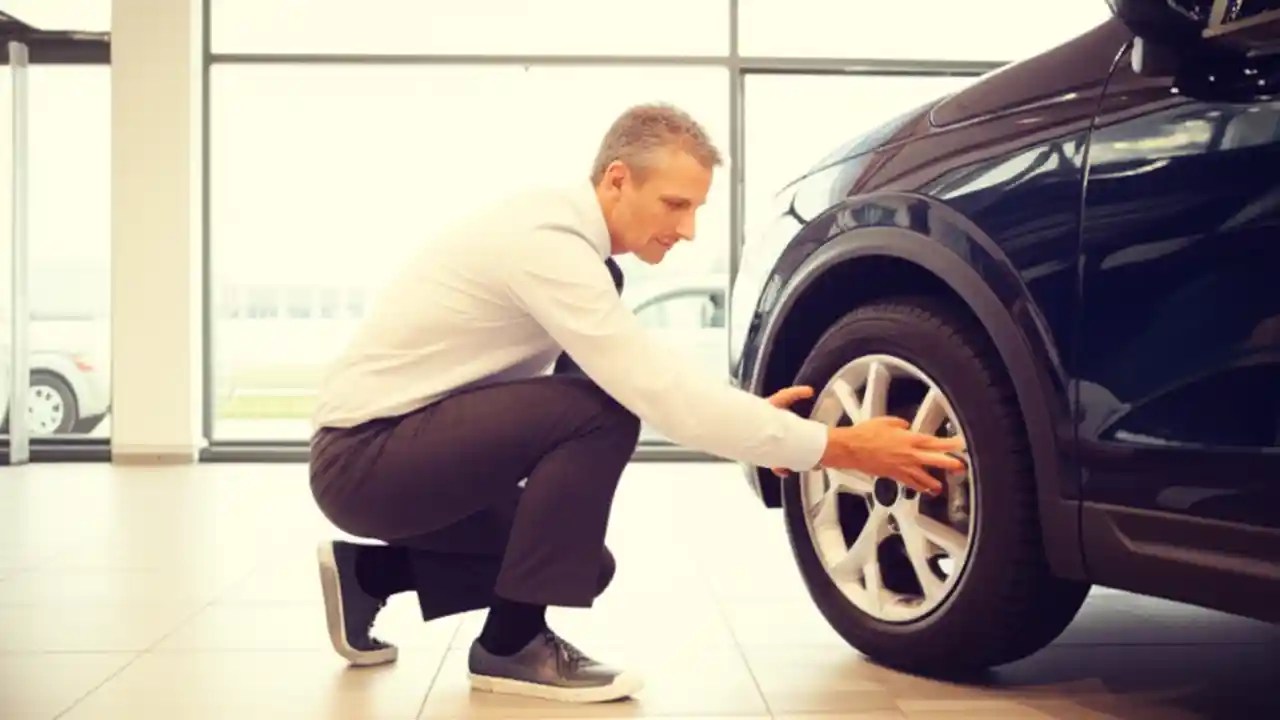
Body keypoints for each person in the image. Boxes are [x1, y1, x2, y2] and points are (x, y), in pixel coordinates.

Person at [307, 103, 965, 704]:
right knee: (600, 418)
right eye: (675, 204)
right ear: (617, 179)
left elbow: (624, 375)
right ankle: (509, 647)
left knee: (579, 564)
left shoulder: (583, 256)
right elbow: (642, 390)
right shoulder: (548, 245)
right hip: (368, 456)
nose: (687, 229)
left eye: (696, 209)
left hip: (409, 453)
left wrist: (758, 424)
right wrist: (839, 447)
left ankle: (372, 573)